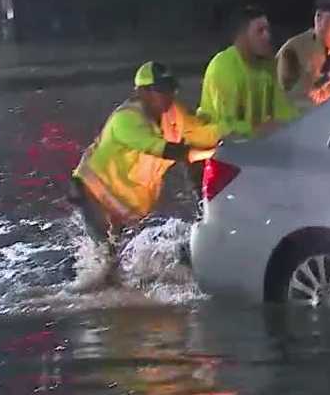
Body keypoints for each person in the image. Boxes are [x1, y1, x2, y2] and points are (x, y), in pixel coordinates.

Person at [69, 61, 220, 254]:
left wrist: (231, 133)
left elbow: (199, 131)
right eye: (160, 90)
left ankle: (106, 280)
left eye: (170, 90)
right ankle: (87, 280)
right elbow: (161, 148)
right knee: (105, 254)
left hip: (122, 202)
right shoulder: (126, 119)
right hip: (93, 192)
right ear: (141, 92)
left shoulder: (174, 113)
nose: (168, 96)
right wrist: (202, 153)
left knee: (116, 255)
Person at [197, 5, 299, 139]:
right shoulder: (223, 67)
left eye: (267, 30)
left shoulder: (267, 65)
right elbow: (224, 126)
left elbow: (283, 108)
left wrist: (299, 125)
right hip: (218, 146)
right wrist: (258, 129)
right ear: (242, 36)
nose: (267, 36)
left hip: (254, 142)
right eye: (260, 31)